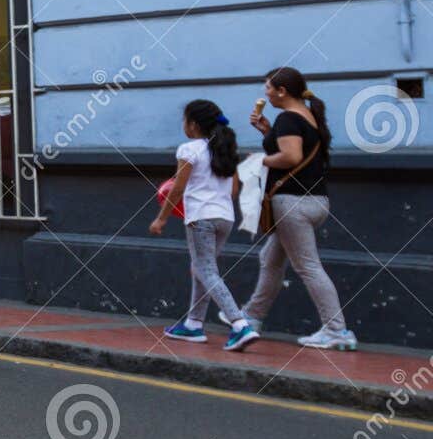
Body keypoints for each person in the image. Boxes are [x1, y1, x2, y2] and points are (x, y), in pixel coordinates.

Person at [234, 66, 357, 350]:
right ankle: (252, 317)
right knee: (270, 259)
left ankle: (337, 330)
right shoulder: (307, 116)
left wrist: (259, 160)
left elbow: (291, 156)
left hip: (291, 202)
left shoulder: (288, 118)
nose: (264, 92)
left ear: (281, 91)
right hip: (315, 201)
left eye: (267, 87)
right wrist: (267, 130)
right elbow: (298, 153)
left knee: (308, 267)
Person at [151, 100, 259, 351]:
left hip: (201, 217)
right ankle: (193, 324)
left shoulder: (189, 149)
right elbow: (233, 190)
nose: (183, 125)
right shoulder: (226, 149)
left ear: (193, 124)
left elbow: (177, 187)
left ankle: (240, 325)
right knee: (201, 268)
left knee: (206, 270)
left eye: (185, 120)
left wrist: (162, 217)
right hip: (225, 218)